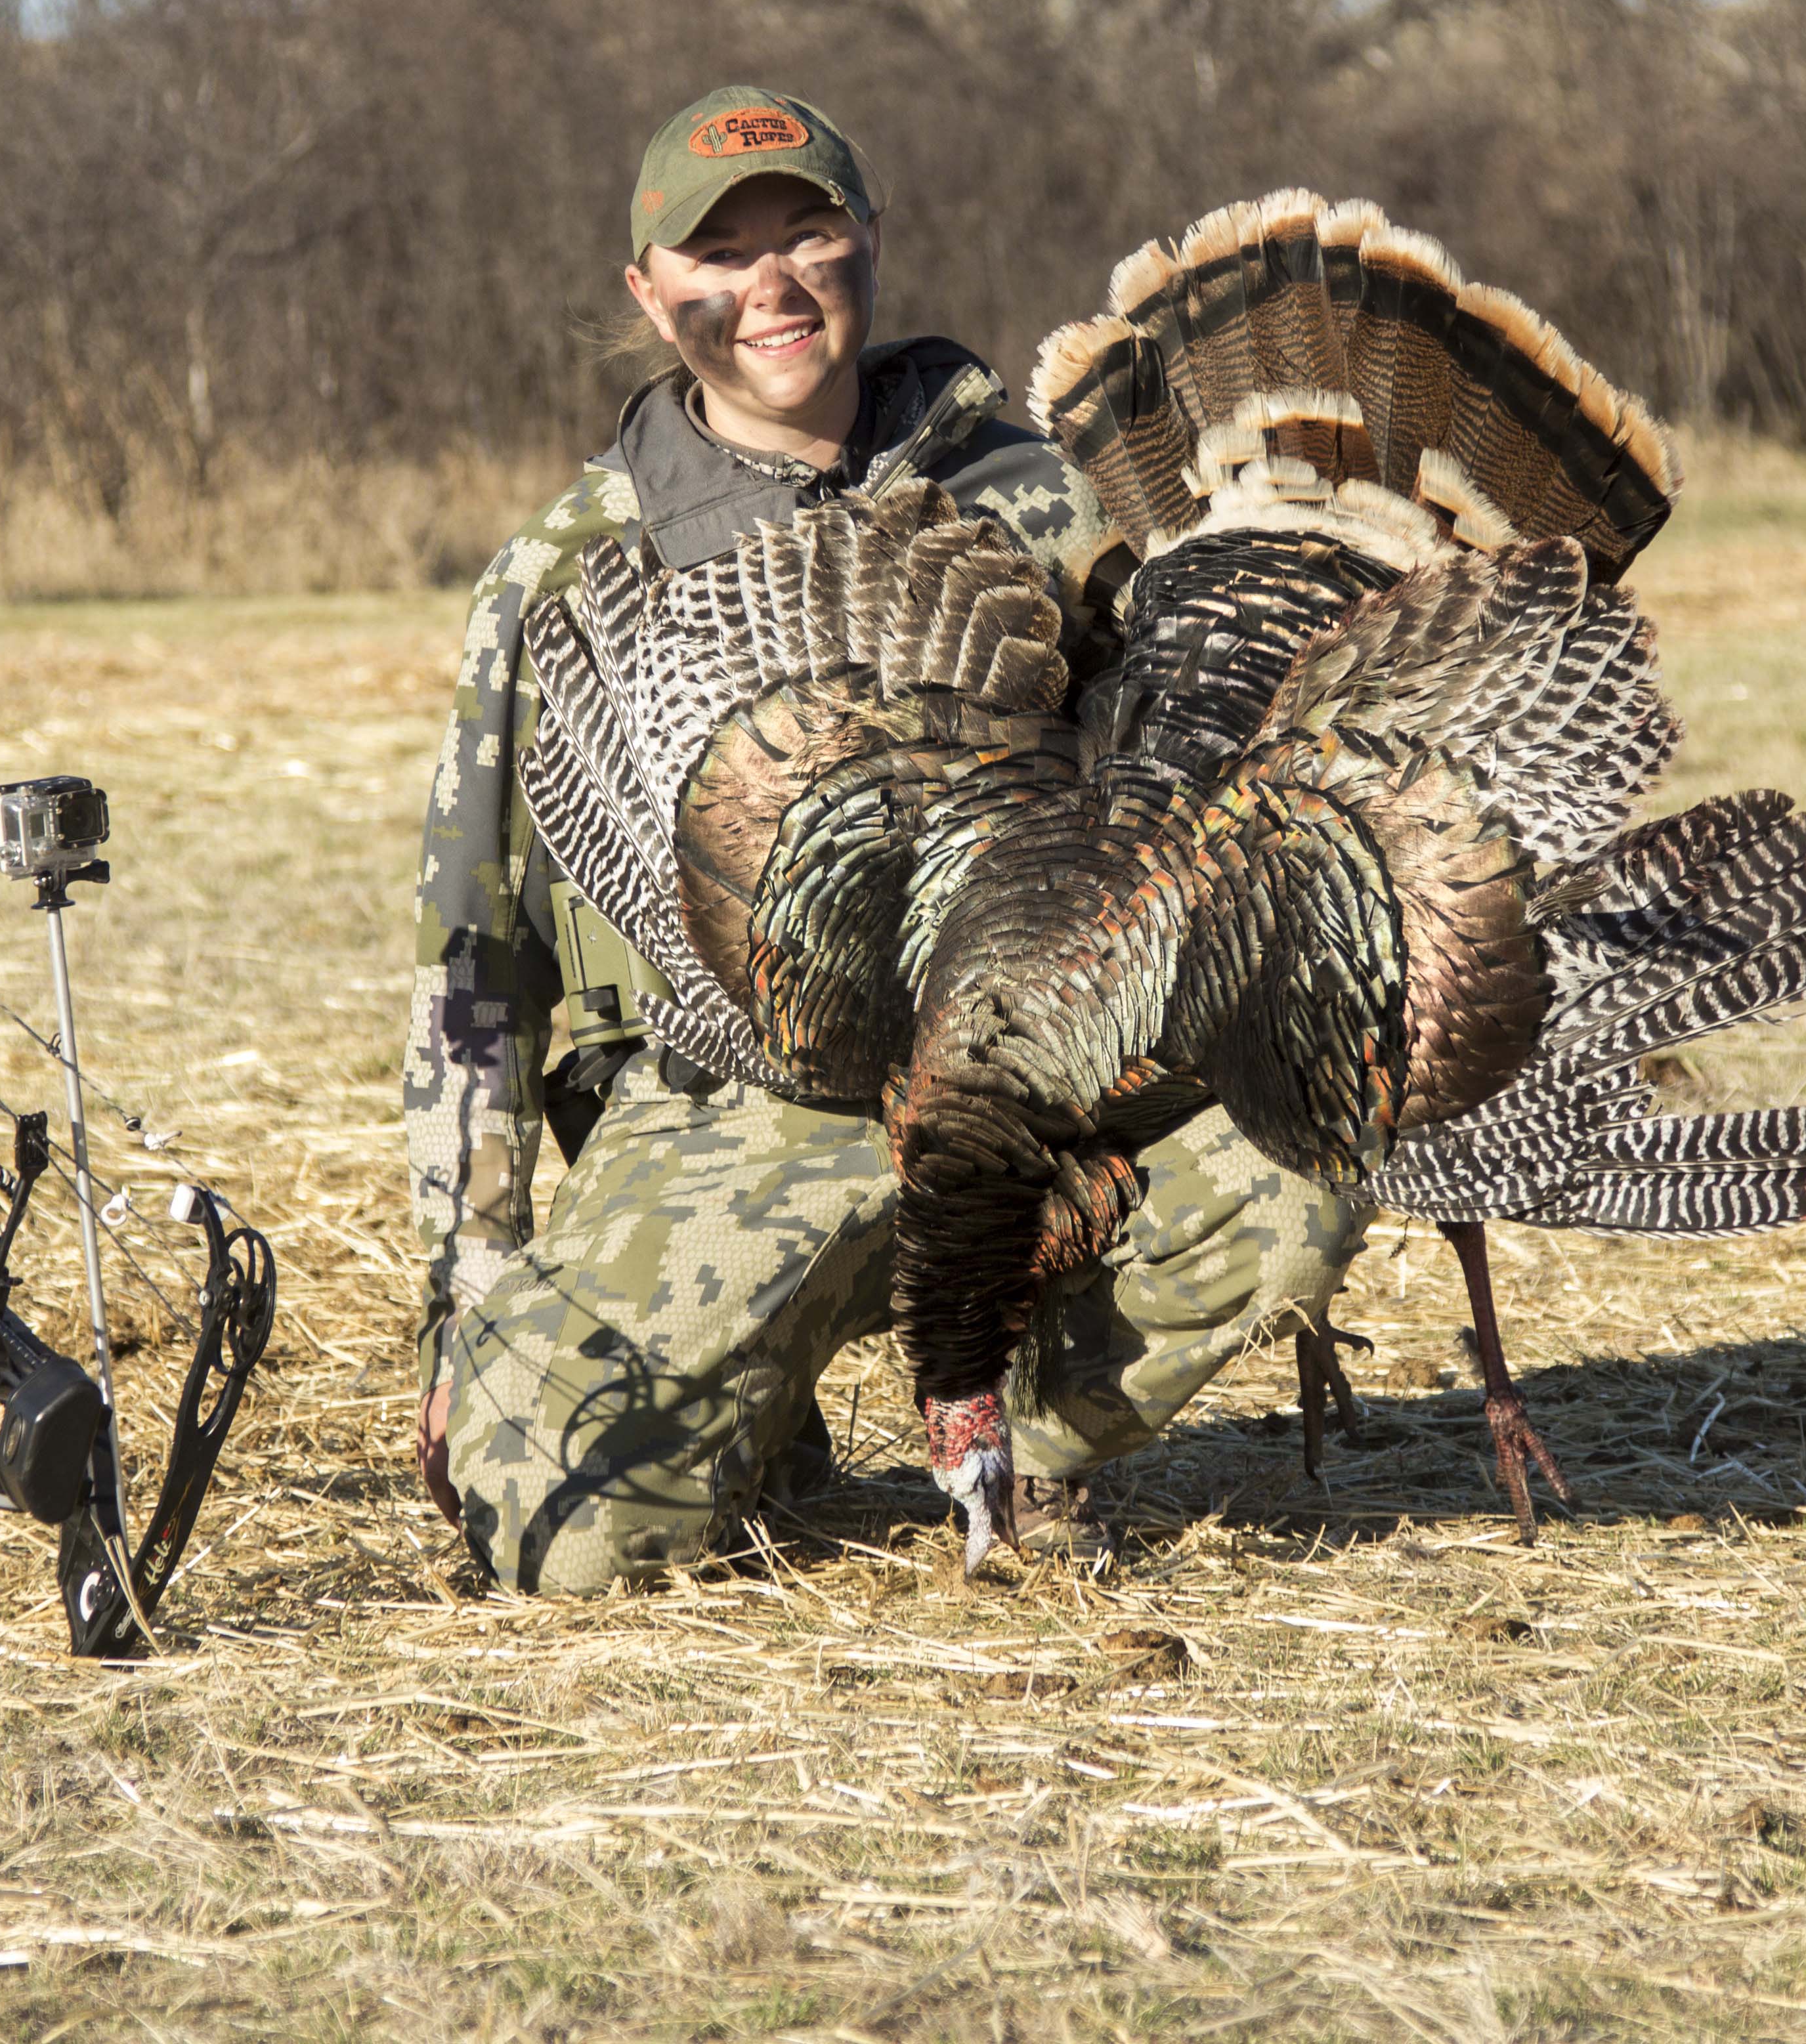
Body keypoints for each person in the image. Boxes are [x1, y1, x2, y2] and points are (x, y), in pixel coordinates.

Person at [404, 85, 1366, 1594]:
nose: (773, 285)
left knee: (1309, 1133)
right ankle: (755, 1416)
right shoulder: (573, 566)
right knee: (562, 1540)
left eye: (810, 232)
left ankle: (1026, 1452)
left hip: (1041, 1069)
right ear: (649, 294)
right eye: (720, 254)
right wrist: (465, 1289)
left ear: (870, 241)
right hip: (732, 1104)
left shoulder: (1046, 498)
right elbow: (475, 959)